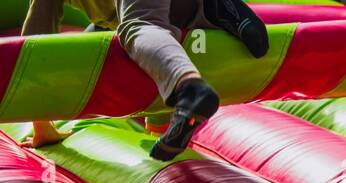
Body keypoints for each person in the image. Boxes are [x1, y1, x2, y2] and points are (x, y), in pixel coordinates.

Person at [22, 0, 269, 160]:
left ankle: (188, 87)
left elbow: (34, 48)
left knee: (138, 26)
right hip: (175, 13)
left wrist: (41, 127)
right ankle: (209, 9)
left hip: (145, 16)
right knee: (122, 36)